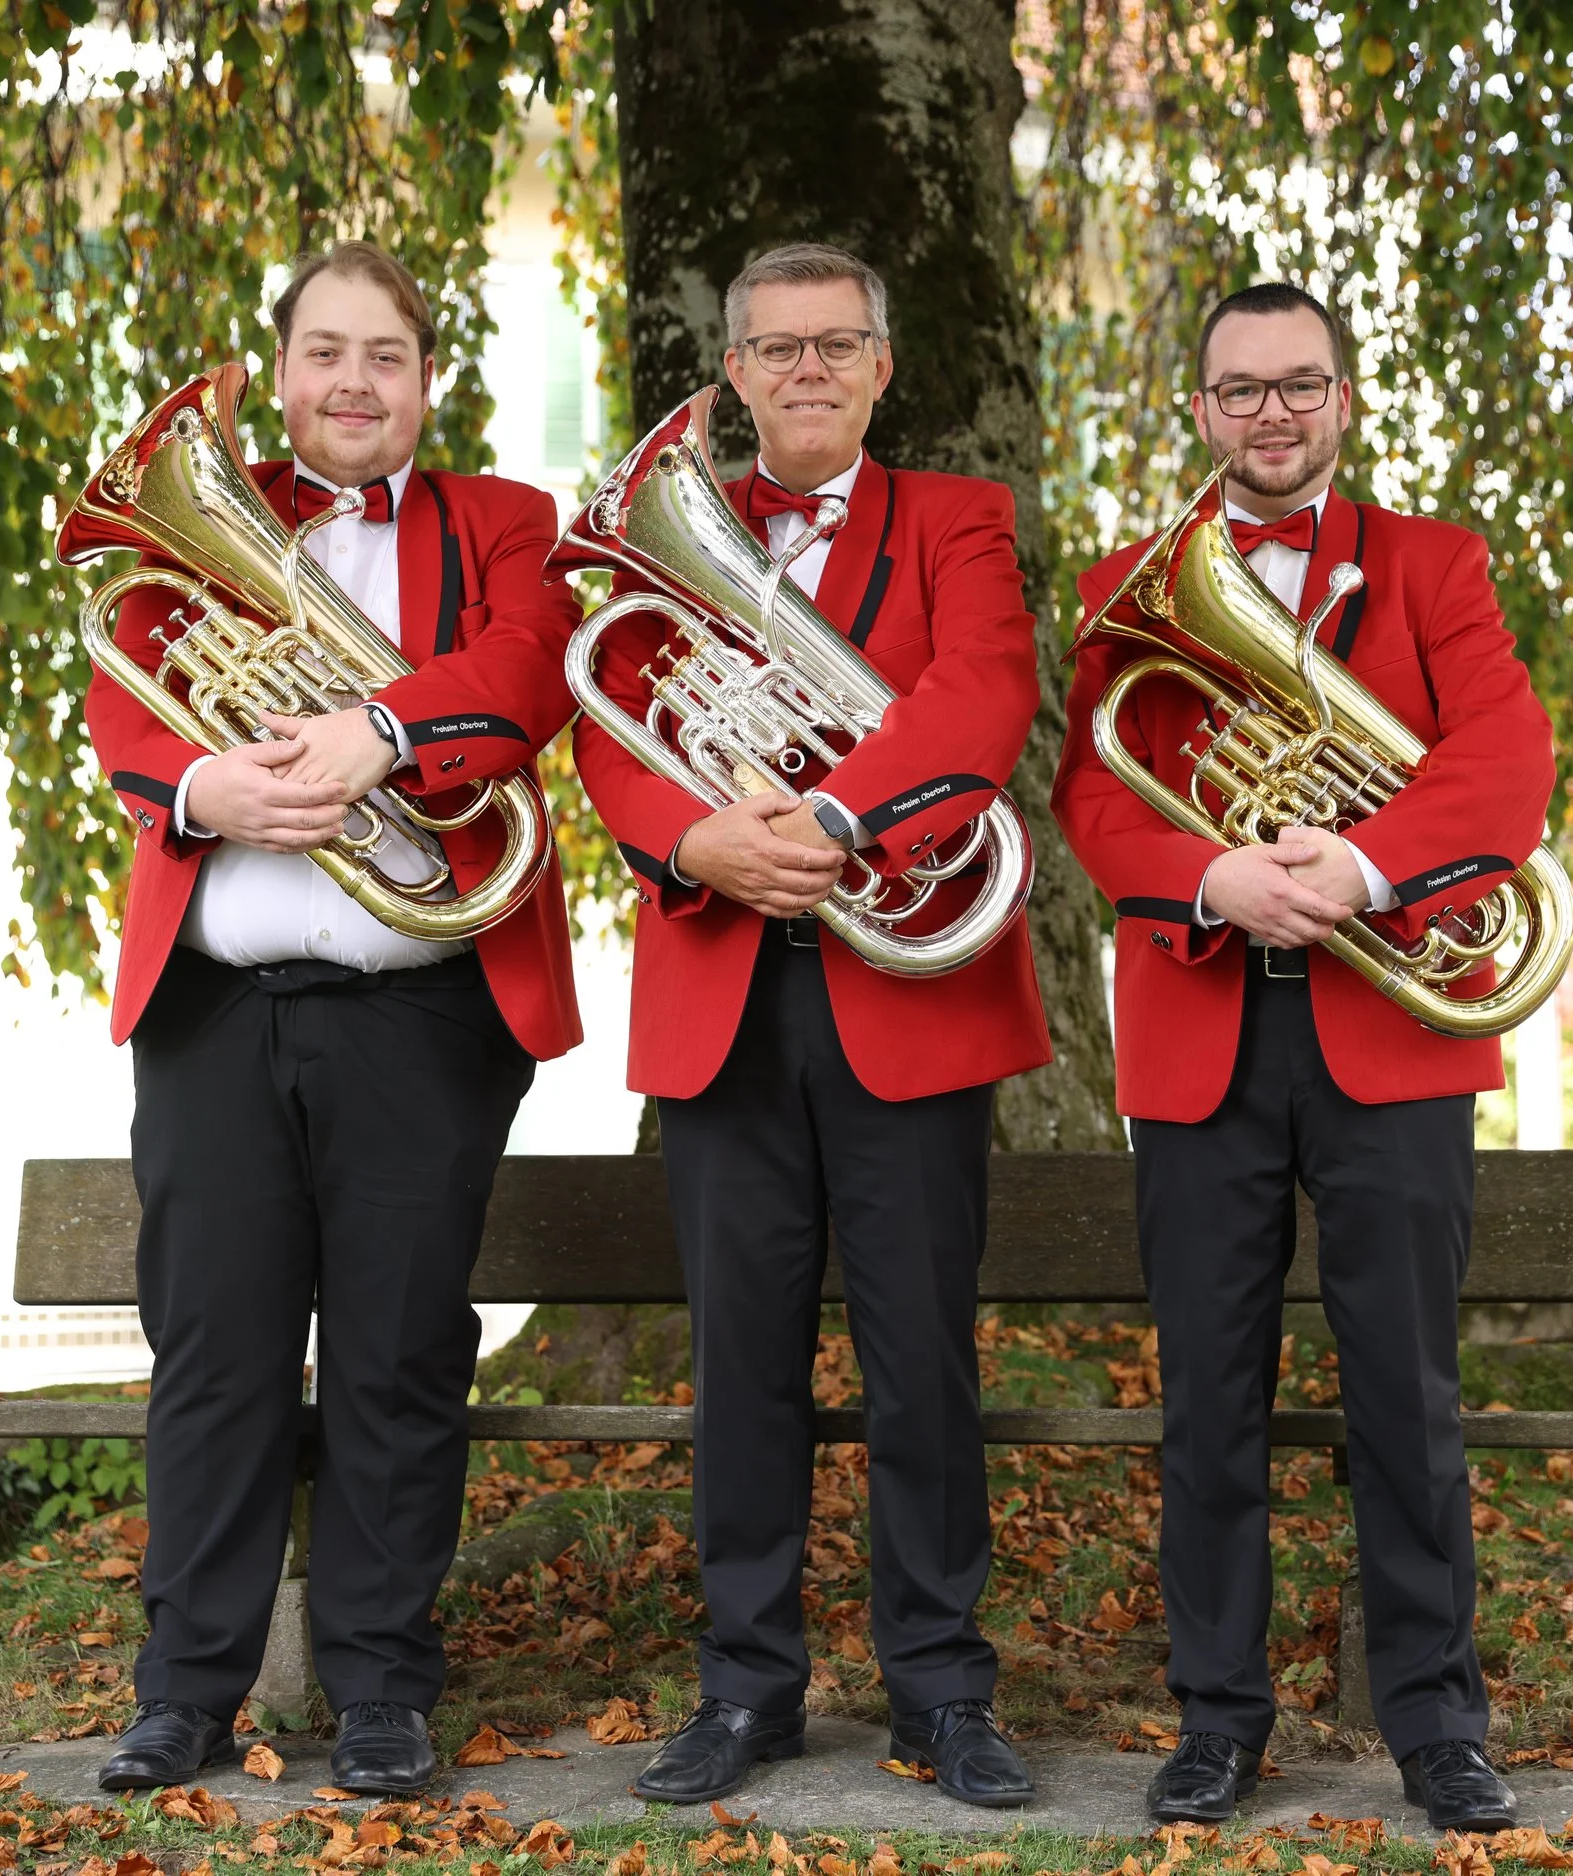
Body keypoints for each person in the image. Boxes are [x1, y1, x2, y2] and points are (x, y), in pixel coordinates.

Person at [1051, 282, 1557, 1835]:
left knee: (1406, 1393)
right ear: (1199, 409)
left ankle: (1435, 1722)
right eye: (1242, 390)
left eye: (1302, 386)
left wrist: (1363, 864)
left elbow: (1505, 756)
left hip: (1390, 1035)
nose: (1273, 414)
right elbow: (1096, 793)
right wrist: (1214, 878)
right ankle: (1216, 1719)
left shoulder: (1432, 566)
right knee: (1208, 1398)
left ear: (1341, 398)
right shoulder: (1130, 584)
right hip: (1203, 1033)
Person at [83, 240, 583, 1798]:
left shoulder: (504, 522)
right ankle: (187, 1691)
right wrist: (198, 784)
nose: (352, 382)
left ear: (428, 380)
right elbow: (121, 685)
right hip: (216, 1014)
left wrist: (379, 730)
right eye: (323, 352)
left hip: (419, 1015)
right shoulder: (201, 523)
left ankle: (379, 1687)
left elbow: (527, 673)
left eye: (385, 355)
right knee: (215, 1356)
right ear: (282, 369)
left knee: (399, 1354)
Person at [570, 242, 1051, 1809]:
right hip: (725, 997)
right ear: (734, 376)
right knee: (745, 1367)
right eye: (774, 350)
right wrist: (692, 841)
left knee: (923, 1363)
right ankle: (747, 1687)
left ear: (883, 367)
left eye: (836, 345)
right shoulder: (674, 540)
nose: (806, 371)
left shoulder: (958, 522)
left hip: (904, 987)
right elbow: (617, 710)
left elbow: (980, 693)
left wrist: (841, 818)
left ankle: (939, 1688)